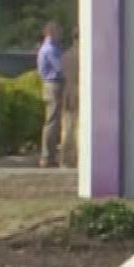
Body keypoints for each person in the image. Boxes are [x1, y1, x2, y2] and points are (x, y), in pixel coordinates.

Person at [36, 22, 65, 168]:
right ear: (51, 33)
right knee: (52, 121)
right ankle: (47, 156)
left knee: (52, 120)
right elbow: (60, 67)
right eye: (58, 32)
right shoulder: (51, 49)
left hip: (49, 83)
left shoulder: (46, 48)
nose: (60, 35)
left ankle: (49, 155)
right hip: (53, 84)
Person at [59, 31, 80, 168]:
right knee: (79, 131)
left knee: (67, 130)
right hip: (80, 94)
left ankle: (65, 160)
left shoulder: (65, 55)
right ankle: (78, 159)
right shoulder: (85, 55)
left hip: (68, 95)